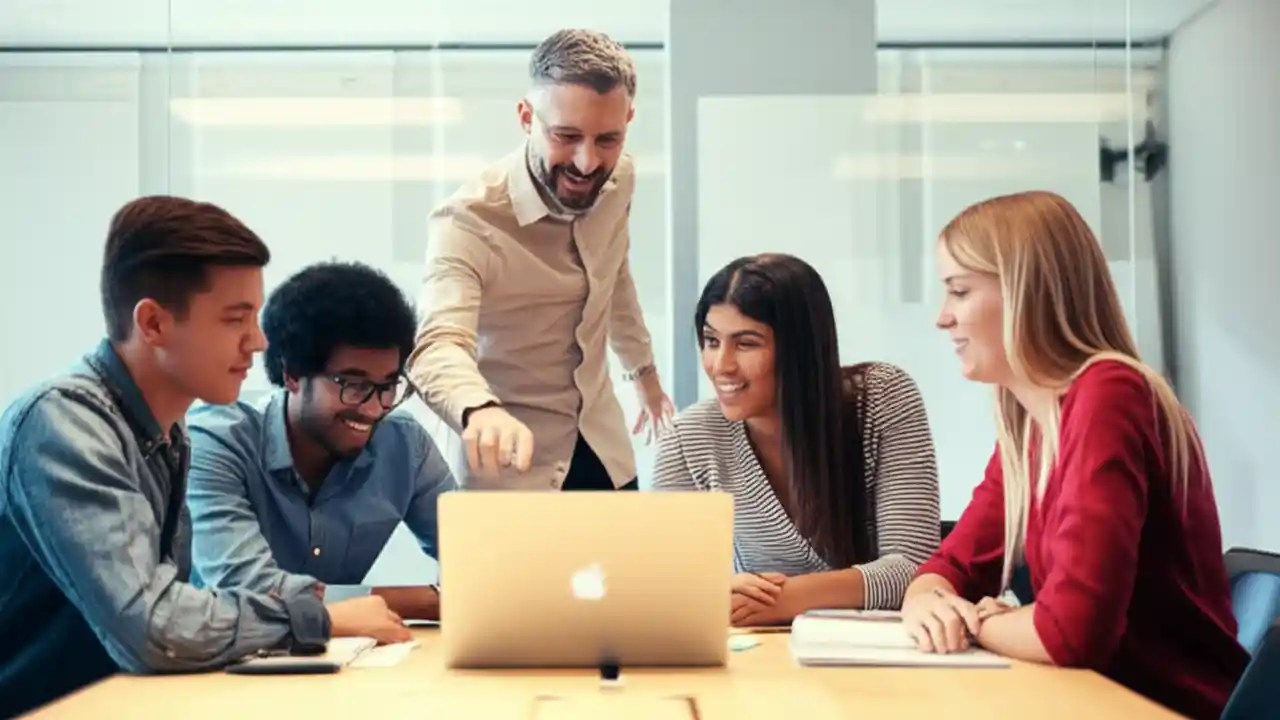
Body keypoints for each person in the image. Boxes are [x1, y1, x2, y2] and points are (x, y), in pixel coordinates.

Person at [0, 197, 399, 718]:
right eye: (236, 319)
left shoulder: (167, 432)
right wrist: (317, 617)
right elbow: (153, 625)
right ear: (154, 323)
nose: (258, 342)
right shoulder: (64, 423)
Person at [903, 190, 1247, 719]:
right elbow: (953, 565)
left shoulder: (1110, 394)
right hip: (1093, 702)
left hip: (1166, 707)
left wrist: (977, 622)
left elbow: (1070, 632)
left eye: (959, 291)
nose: (943, 318)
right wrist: (928, 600)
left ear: (1025, 292)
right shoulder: (1029, 426)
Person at [408, 29, 673, 490]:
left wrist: (643, 373)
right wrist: (478, 408)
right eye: (566, 136)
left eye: (608, 139)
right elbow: (436, 345)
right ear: (527, 118)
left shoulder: (621, 179)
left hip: (601, 447)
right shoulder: (468, 221)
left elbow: (616, 277)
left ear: (628, 120)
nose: (587, 163)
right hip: (510, 464)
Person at [653, 254, 941, 626]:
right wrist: (714, 592)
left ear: (800, 349)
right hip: (763, 657)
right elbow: (664, 587)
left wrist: (784, 600)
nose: (720, 365)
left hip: (885, 659)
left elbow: (916, 570)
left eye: (746, 344)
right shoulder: (689, 437)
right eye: (711, 341)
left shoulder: (883, 398)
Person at [187, 262, 455, 623]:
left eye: (388, 385)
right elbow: (248, 589)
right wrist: (420, 601)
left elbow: (478, 560)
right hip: (222, 666)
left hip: (341, 665)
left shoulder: (405, 447)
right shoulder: (218, 441)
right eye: (353, 384)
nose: (375, 407)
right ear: (292, 374)